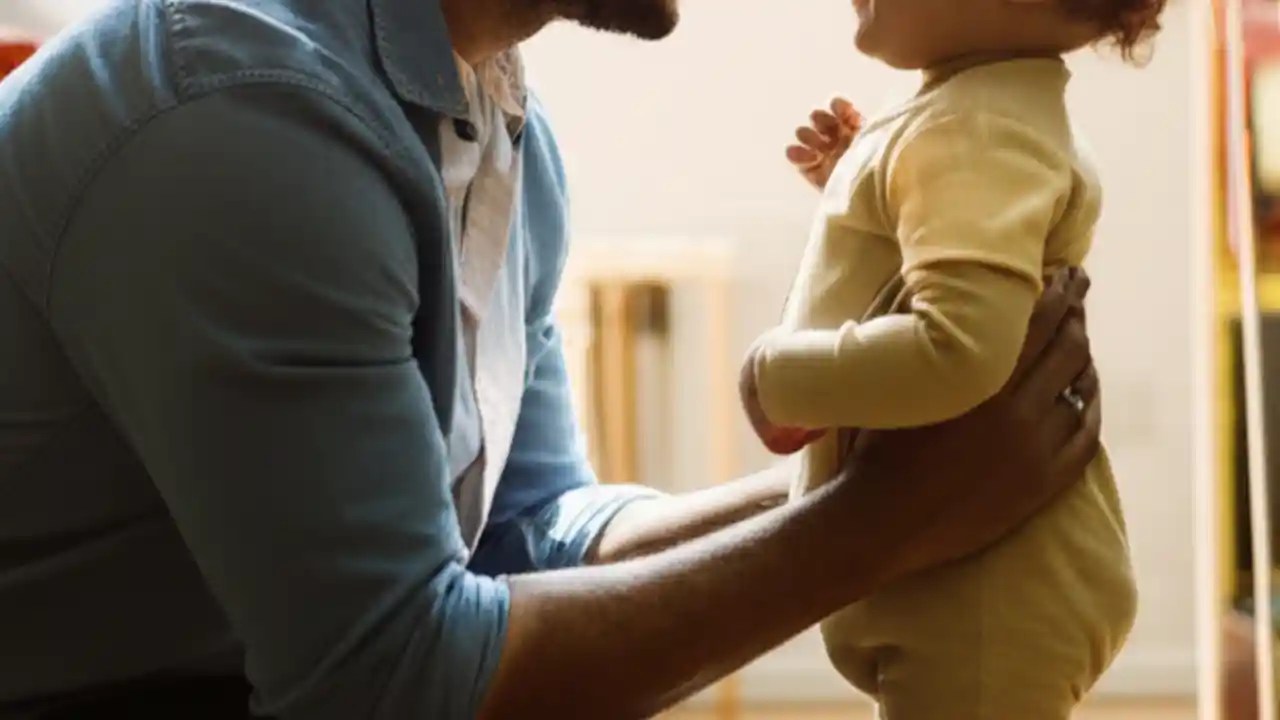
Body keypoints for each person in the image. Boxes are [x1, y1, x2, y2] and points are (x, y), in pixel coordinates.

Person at [0, 0, 1100, 717]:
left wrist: (890, 474)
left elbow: (530, 535)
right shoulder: (246, 119)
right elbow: (391, 681)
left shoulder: (493, 120)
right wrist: (888, 522)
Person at [736, 1, 1164, 717]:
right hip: (975, 578)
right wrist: (874, 193)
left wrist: (776, 381)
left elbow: (957, 350)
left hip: (983, 598)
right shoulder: (979, 112)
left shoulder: (975, 129)